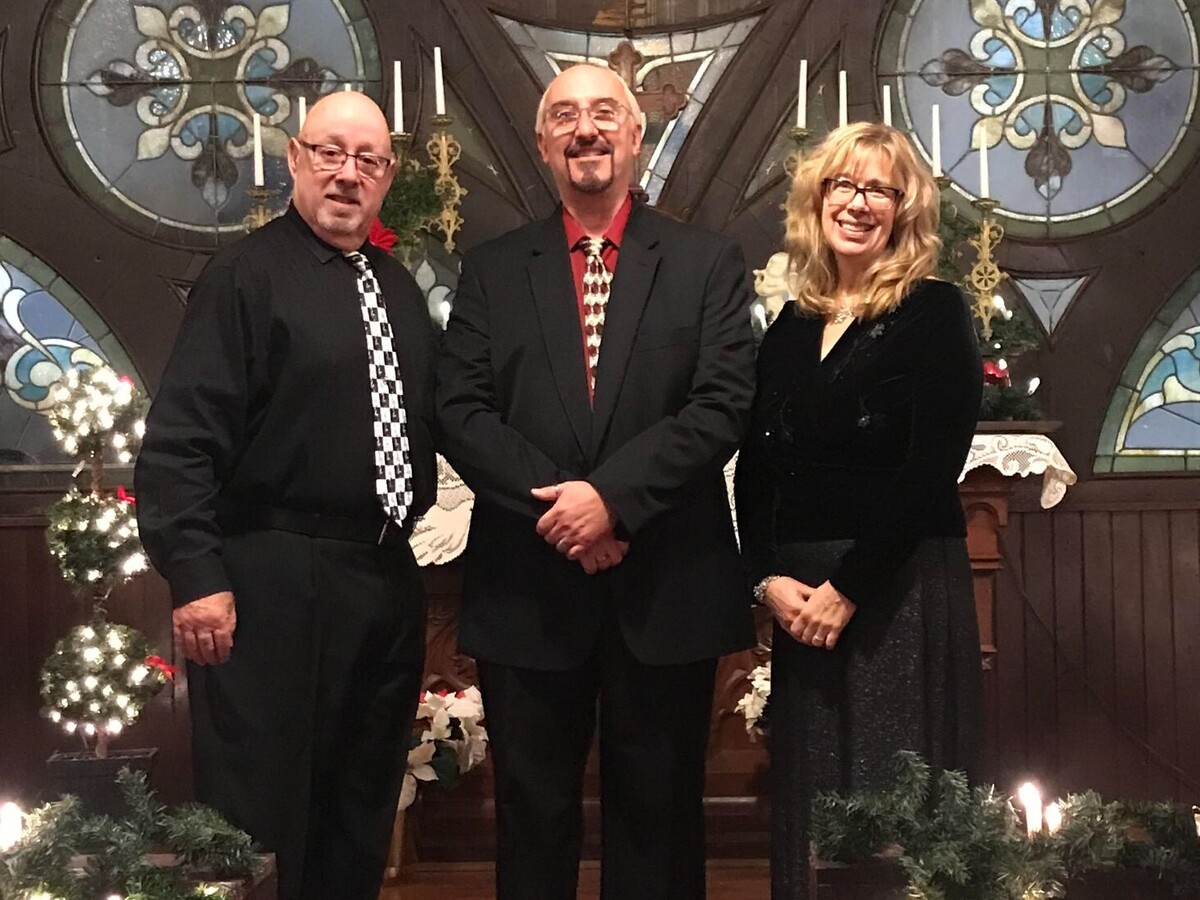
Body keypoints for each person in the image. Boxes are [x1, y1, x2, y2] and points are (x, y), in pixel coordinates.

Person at [437, 62, 756, 899]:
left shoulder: (706, 262)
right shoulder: (493, 269)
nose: (587, 129)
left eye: (605, 112)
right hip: (528, 586)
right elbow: (460, 409)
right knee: (533, 818)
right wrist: (565, 507)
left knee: (659, 819)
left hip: (667, 583)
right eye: (566, 115)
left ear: (636, 134)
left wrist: (610, 500)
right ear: (543, 143)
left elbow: (722, 404)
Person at [134, 92, 438, 900]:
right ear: (297, 159)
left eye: (367, 160)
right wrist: (197, 574)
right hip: (271, 575)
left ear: (387, 175)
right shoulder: (245, 276)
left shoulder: (397, 289)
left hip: (381, 574)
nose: (347, 174)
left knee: (359, 800)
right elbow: (181, 437)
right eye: (330, 153)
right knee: (262, 810)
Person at [733, 122, 984, 899]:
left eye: (881, 189)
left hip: (894, 587)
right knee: (813, 806)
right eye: (845, 183)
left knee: (894, 806)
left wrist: (848, 587)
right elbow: (756, 467)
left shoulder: (934, 312)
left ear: (905, 210)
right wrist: (767, 578)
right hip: (802, 595)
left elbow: (930, 470)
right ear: (817, 198)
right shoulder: (792, 324)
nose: (859, 202)